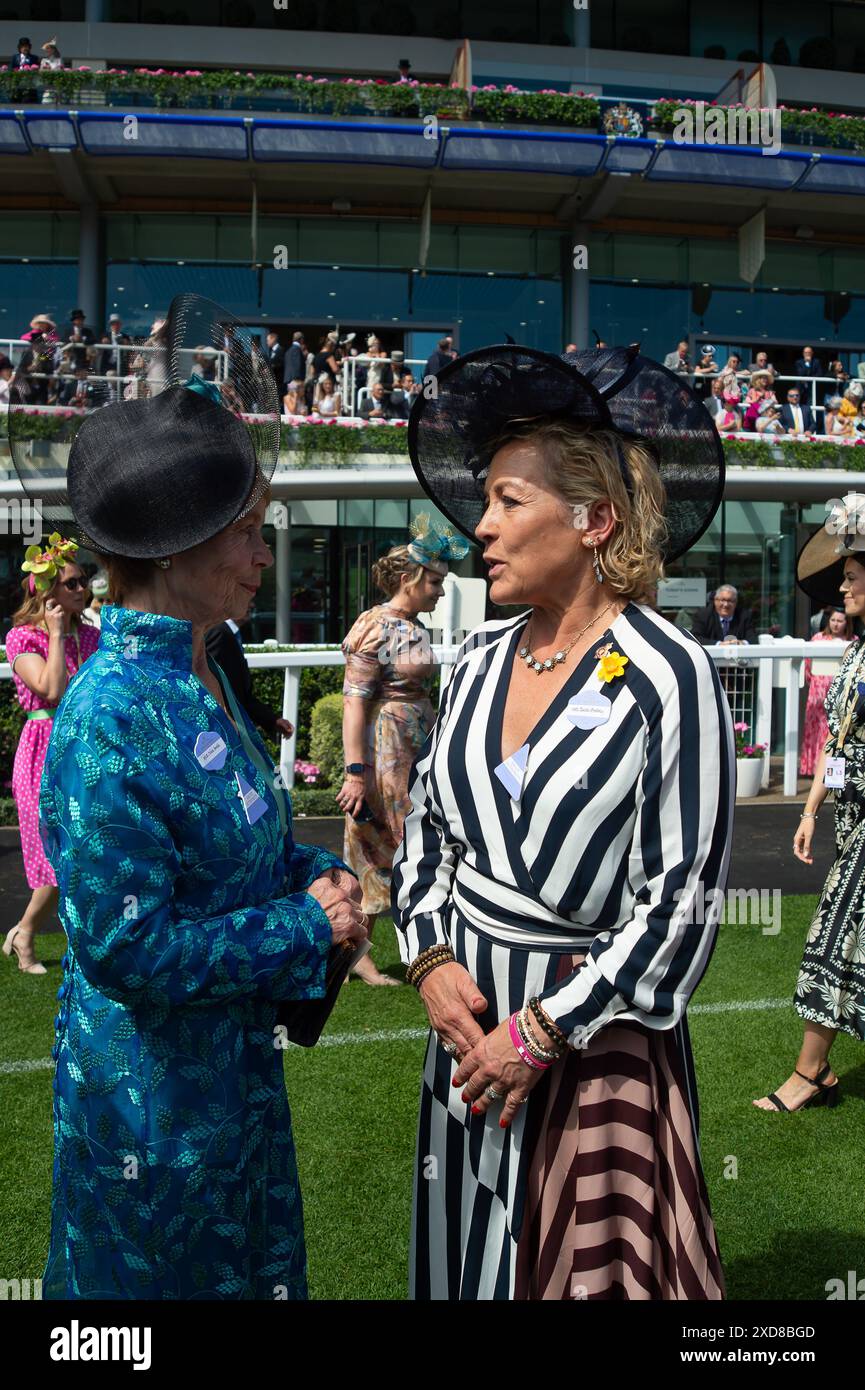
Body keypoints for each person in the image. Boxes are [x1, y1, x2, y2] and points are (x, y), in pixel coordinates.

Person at [11, 293, 367, 1300]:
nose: (264, 556)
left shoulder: (211, 666)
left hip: (233, 1090)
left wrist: (313, 874)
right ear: (173, 542)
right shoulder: (112, 708)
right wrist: (301, 928)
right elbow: (125, 944)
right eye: (249, 534)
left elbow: (233, 855)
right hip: (153, 1118)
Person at [392, 342, 731, 1300]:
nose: (479, 530)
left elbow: (680, 908)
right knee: (464, 1264)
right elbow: (427, 832)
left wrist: (541, 1031)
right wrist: (428, 960)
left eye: (507, 501)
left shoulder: (671, 673)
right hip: (463, 1048)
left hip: (588, 1057)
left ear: (594, 521)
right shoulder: (476, 656)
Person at [756, 495, 865, 1111]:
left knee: (831, 932)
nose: (842, 588)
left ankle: (809, 1071)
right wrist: (809, 810)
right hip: (852, 822)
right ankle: (815, 1072)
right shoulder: (853, 653)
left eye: (851, 577)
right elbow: (838, 741)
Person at [336, 516, 463, 987]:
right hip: (384, 750)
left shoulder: (410, 625)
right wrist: (355, 772)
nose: (441, 592)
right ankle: (357, 955)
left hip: (413, 744)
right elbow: (354, 703)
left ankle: (424, 947)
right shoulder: (375, 626)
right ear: (409, 579)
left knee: (415, 839)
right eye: (435, 582)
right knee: (381, 844)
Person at [2, 537, 99, 976]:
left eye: (82, 582)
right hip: (43, 747)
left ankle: (52, 937)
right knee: (53, 857)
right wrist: (57, 634)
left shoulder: (95, 635)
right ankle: (25, 932)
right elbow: (51, 690)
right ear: (47, 593)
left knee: (86, 850)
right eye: (72, 583)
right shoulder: (21, 636)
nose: (82, 589)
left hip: (84, 748)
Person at [205, 599, 295, 741]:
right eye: (246, 599)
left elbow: (240, 693)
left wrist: (272, 720)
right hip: (220, 730)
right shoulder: (219, 633)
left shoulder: (229, 634)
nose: (252, 605)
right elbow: (209, 683)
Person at [799, 608, 853, 778]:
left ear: (847, 623)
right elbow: (808, 666)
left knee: (835, 728)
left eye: (840, 621)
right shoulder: (817, 639)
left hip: (841, 691)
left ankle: (831, 769)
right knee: (815, 728)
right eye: (833, 620)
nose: (836, 624)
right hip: (818, 689)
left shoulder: (853, 641)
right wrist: (814, 682)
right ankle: (812, 768)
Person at [690, 584, 757, 644]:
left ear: (736, 602)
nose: (725, 604)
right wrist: (719, 644)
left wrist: (741, 643)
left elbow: (753, 638)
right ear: (715, 600)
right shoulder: (703, 615)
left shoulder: (745, 616)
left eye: (730, 601)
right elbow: (696, 637)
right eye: (722, 600)